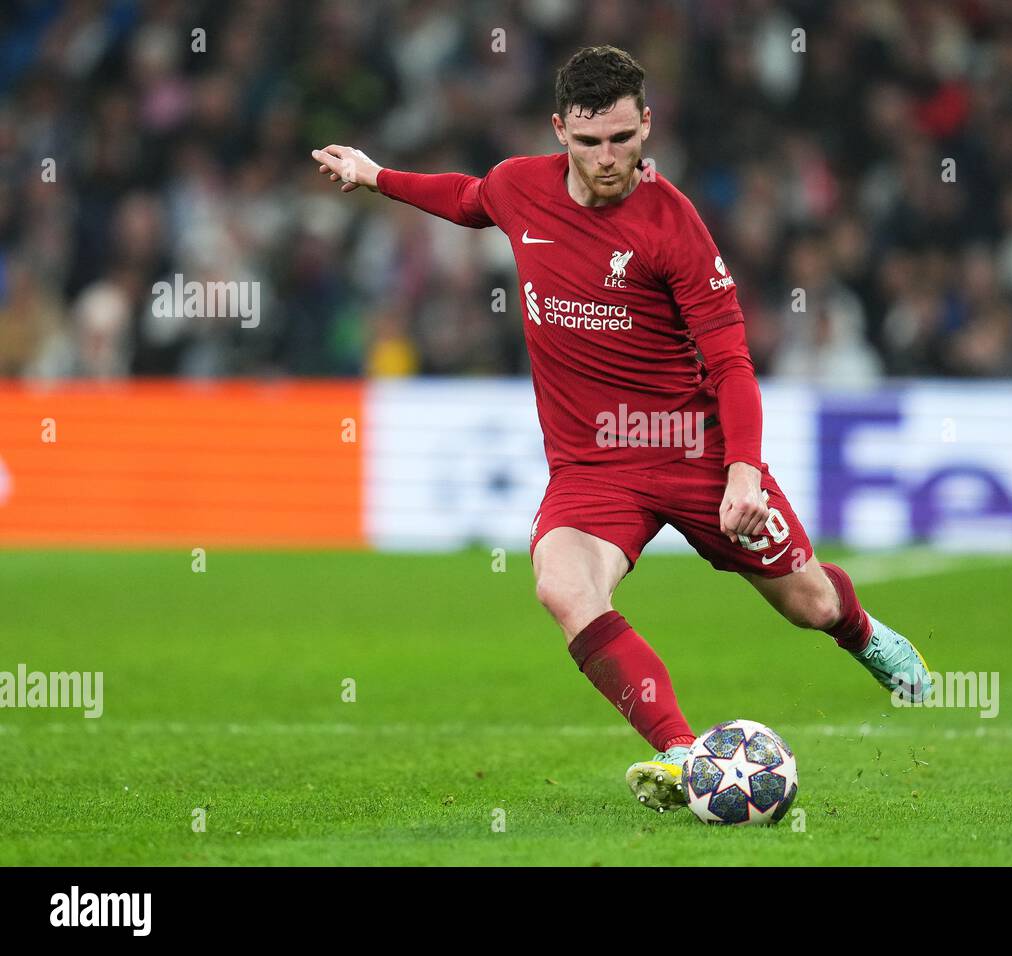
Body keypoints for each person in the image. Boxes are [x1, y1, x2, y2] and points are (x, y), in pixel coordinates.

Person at [311, 45, 931, 814]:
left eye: (622, 139)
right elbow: (466, 197)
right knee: (561, 586)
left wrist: (743, 469)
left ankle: (864, 633)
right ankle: (681, 755)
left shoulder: (674, 226)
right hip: (591, 467)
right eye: (588, 141)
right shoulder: (520, 188)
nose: (608, 159)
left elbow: (732, 361)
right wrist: (376, 175)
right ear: (559, 131)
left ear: (646, 124)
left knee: (808, 603)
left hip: (693, 454)